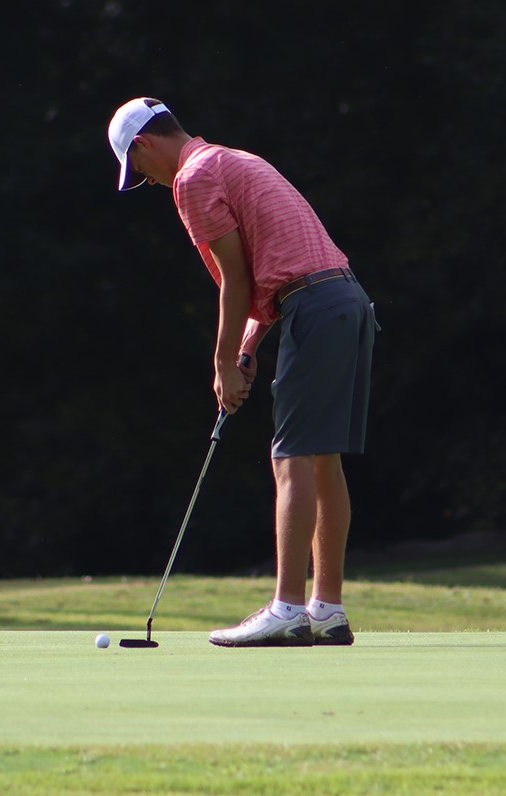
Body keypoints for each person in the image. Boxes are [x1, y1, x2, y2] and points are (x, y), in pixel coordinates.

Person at [107, 97, 376, 647]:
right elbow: (270, 277)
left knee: (290, 457)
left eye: (139, 171)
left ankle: (287, 609)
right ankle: (327, 610)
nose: (148, 182)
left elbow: (233, 280)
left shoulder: (193, 180)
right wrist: (249, 347)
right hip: (347, 301)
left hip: (316, 307)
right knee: (323, 459)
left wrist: (223, 363)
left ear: (144, 146)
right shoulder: (235, 160)